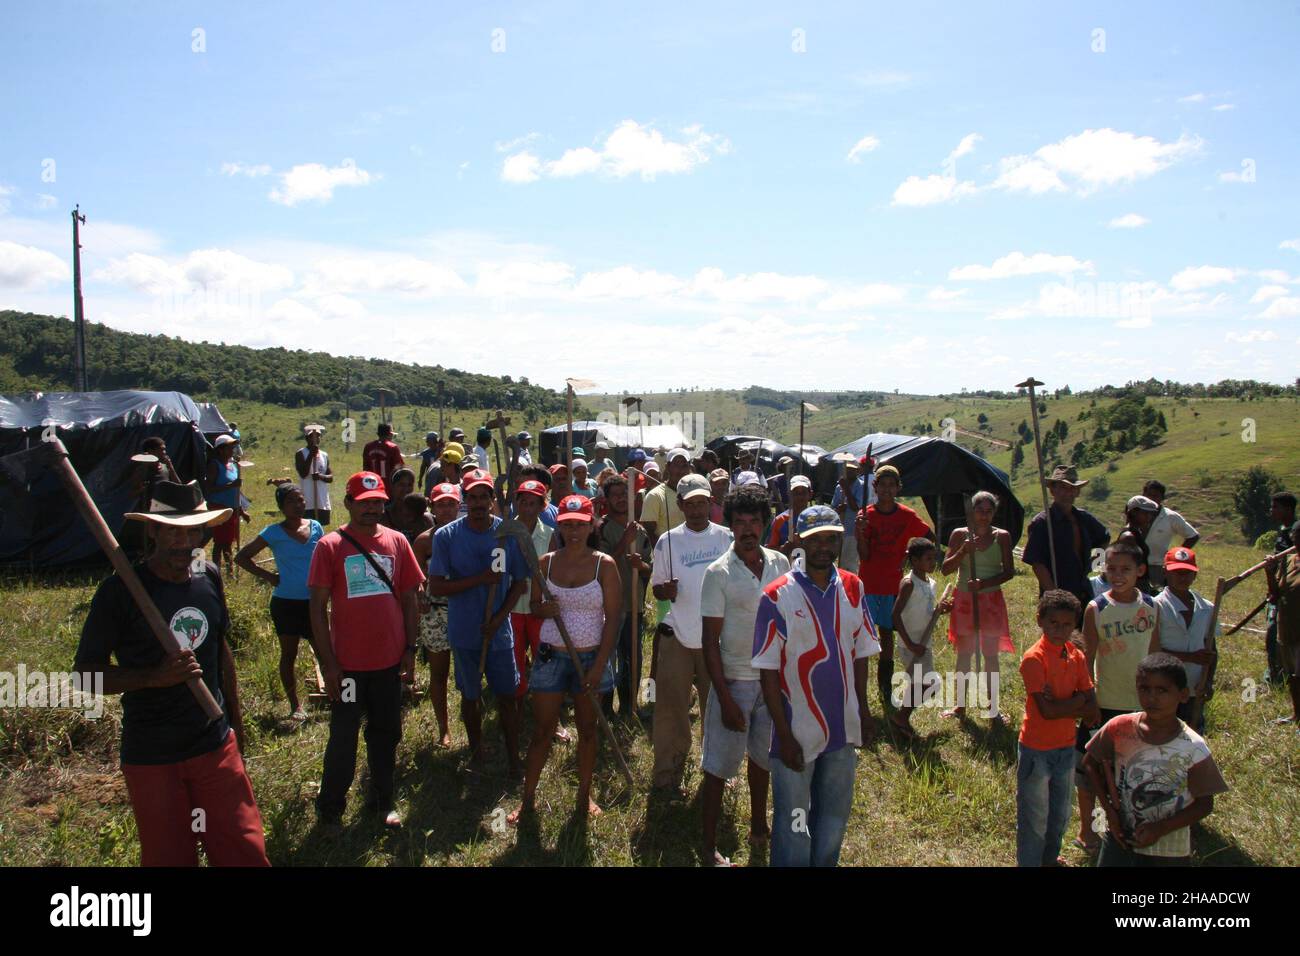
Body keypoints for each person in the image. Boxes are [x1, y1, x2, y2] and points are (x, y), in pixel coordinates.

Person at [74, 479, 269, 866]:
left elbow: (220, 650)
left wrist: (235, 728)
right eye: (173, 532)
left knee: (244, 851)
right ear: (153, 530)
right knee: (169, 857)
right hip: (153, 756)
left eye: (194, 530)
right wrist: (152, 677)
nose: (184, 543)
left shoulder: (208, 576)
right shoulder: (120, 592)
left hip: (214, 745)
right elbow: (84, 676)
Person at [753, 505, 881, 867]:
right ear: (799, 542)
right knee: (794, 824)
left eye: (831, 539)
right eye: (816, 539)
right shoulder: (776, 596)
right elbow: (767, 672)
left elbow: (861, 653)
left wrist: (865, 711)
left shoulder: (853, 588)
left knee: (833, 820)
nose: (824, 547)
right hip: (796, 730)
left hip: (842, 728)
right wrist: (784, 733)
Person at [307, 472, 423, 828]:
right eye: (364, 502)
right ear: (347, 504)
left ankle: (382, 800)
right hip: (348, 668)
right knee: (343, 736)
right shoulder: (330, 546)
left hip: (388, 663)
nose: (372, 509)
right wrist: (329, 665)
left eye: (378, 502)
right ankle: (331, 808)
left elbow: (409, 598)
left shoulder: (398, 542)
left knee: (386, 733)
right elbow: (318, 609)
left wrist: (409, 649)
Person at [509, 495, 620, 825]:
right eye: (567, 524)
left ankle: (584, 798)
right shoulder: (545, 563)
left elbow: (613, 618)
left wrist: (599, 666)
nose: (573, 531)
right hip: (551, 657)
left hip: (589, 658)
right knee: (542, 731)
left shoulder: (605, 565)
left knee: (587, 730)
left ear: (591, 525)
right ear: (560, 525)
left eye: (580, 524)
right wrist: (545, 610)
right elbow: (534, 606)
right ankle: (526, 799)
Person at [698, 485, 790, 865]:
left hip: (772, 681)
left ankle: (758, 827)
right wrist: (724, 697)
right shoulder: (717, 573)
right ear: (730, 525)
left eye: (755, 521)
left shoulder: (781, 565)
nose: (748, 529)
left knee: (762, 760)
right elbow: (709, 642)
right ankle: (706, 848)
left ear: (765, 524)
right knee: (718, 769)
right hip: (733, 681)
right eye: (740, 522)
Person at [1083, 653, 1229, 866]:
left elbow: (1205, 804)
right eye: (1145, 689)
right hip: (1119, 837)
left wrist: (1160, 828)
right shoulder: (1119, 727)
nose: (1152, 698)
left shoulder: (1193, 747)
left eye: (1162, 690)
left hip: (1168, 850)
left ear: (1183, 694)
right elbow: (1089, 763)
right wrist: (1110, 813)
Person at [428, 468, 529, 774]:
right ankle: (476, 754)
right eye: (472, 497)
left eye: (484, 496)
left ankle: (514, 757)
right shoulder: (447, 537)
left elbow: (519, 584)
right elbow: (437, 586)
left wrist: (499, 618)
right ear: (464, 499)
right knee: (470, 696)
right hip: (464, 630)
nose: (477, 502)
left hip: (498, 632)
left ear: (492, 499)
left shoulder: (507, 535)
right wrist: (480, 579)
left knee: (507, 697)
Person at [1073, 539, 1161, 851]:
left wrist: (1156, 701)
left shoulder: (1152, 607)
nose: (1117, 574)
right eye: (1111, 568)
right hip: (1105, 703)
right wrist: (1089, 699)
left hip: (1140, 705)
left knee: (1133, 768)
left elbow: (1154, 656)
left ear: (1140, 570)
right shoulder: (1097, 608)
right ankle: (1087, 829)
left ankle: (1130, 825)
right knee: (1090, 768)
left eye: (1125, 569)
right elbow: (1087, 658)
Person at [649, 473, 733, 795]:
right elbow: (657, 588)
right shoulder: (667, 541)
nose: (697, 510)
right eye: (690, 504)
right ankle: (667, 774)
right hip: (679, 635)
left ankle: (719, 770)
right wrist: (663, 589)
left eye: (702, 503)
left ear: (710, 502)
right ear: (680, 505)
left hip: (718, 639)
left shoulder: (726, 539)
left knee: (719, 706)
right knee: (671, 708)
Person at [1016, 589, 1099, 867]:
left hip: (1065, 746)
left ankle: (1049, 859)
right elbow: (1047, 712)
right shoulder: (1034, 659)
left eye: (1067, 625)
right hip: (1036, 749)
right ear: (1040, 620)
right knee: (1034, 818)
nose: (1060, 630)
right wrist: (1078, 702)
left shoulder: (1075, 654)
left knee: (1060, 813)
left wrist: (1075, 703)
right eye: (1054, 623)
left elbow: (1092, 707)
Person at [235, 483, 324, 720]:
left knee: (325, 652)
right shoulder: (272, 532)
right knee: (289, 654)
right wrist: (270, 577)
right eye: (292, 501)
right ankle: (295, 705)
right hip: (286, 602)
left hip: (314, 601)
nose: (298, 505)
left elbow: (325, 560)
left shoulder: (315, 527)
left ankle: (339, 699)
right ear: (281, 507)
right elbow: (242, 557)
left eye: (301, 500)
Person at [855, 465, 934, 710]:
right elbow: (864, 555)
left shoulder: (907, 515)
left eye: (892, 485)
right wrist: (860, 534)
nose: (887, 489)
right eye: (883, 485)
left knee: (887, 634)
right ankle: (859, 687)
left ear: (899, 488)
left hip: (892, 583)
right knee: (865, 636)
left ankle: (885, 685)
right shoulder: (866, 516)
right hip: (869, 582)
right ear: (874, 487)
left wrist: (909, 555)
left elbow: (928, 535)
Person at [940, 491, 1016, 721]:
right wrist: (964, 550)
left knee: (990, 655)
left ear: (994, 513)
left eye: (988, 511)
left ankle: (993, 708)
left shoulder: (1002, 536)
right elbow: (945, 569)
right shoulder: (959, 535)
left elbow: (1009, 571)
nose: (984, 516)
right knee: (964, 654)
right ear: (971, 511)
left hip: (990, 601)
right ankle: (960, 706)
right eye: (979, 510)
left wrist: (984, 583)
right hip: (965, 601)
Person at [1023, 466, 1111, 622]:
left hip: (1083, 589)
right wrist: (1054, 596)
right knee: (1057, 638)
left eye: (1073, 488)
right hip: (1057, 588)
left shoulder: (1083, 518)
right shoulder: (1043, 522)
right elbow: (1038, 564)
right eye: (1063, 488)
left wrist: (1093, 565)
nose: (1068, 492)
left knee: (1083, 637)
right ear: (1052, 491)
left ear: (1077, 492)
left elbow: (1104, 538)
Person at [597, 474, 652, 719]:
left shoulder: (639, 530)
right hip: (609, 606)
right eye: (615, 495)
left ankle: (629, 706)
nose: (621, 500)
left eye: (624, 495)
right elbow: (600, 564)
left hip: (634, 605)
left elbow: (650, 568)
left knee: (632, 658)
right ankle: (606, 709)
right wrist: (623, 543)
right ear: (607, 499)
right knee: (608, 657)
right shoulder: (601, 528)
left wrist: (640, 567)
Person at [412, 483, 460, 749]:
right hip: (436, 612)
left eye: (450, 504)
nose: (446, 509)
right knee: (439, 673)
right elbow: (416, 577)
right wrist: (420, 594)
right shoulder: (424, 541)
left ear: (458, 506)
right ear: (432, 508)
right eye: (440, 504)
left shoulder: (466, 535)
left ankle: (471, 719)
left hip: (464, 610)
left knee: (469, 672)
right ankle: (444, 728)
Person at [890, 538, 952, 739]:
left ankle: (902, 717)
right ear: (914, 561)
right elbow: (896, 615)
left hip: (924, 643)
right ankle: (901, 717)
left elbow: (925, 611)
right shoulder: (909, 584)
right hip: (911, 644)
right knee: (930, 684)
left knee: (921, 683)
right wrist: (910, 644)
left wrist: (939, 611)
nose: (933, 562)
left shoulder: (931, 583)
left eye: (934, 558)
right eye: (928, 559)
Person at [1153, 547, 1218, 734]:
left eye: (1187, 572)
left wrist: (1208, 682)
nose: (1182, 577)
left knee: (1193, 738)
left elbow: (1211, 650)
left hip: (1194, 687)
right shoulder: (1155, 606)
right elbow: (1152, 650)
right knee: (1164, 735)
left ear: (1195, 575)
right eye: (1176, 572)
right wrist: (1189, 657)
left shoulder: (1206, 608)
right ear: (1166, 571)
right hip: (1164, 686)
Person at [508, 479, 557, 724]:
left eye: (533, 503)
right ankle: (516, 709)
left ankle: (548, 713)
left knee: (544, 660)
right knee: (514, 660)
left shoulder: (548, 535)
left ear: (542, 506)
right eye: (523, 502)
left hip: (539, 610)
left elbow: (553, 573)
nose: (527, 508)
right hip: (512, 609)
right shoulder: (504, 531)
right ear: (516, 503)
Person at [1265, 538, 1300, 726]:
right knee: (1293, 675)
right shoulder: (1287, 561)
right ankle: (1297, 715)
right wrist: (1269, 573)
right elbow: (1274, 595)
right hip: (1287, 627)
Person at [1141, 481, 1199, 589]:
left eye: (1155, 496)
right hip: (1136, 565)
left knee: (1156, 599)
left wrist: (1176, 555)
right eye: (1148, 495)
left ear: (1162, 498)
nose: (1151, 499)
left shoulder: (1170, 517)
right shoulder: (1136, 514)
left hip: (1157, 566)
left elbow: (1193, 536)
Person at [1265, 492, 1297, 685]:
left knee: (1276, 634)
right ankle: (1276, 673)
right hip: (1277, 587)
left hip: (1290, 593)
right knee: (1272, 634)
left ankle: (1280, 675)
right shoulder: (1283, 530)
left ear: (1288, 509)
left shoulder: (1296, 532)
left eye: (1275, 507)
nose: (1272, 510)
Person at [202, 434, 244, 574]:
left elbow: (236, 491)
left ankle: (229, 571)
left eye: (233, 447)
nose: (232, 450)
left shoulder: (233, 465)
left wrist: (241, 510)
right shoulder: (215, 465)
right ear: (220, 450)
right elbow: (209, 488)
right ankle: (217, 571)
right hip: (218, 508)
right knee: (220, 542)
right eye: (229, 447)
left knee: (228, 542)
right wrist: (231, 485)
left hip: (232, 508)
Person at [832, 454, 875, 572]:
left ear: (857, 471)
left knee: (849, 563)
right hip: (840, 528)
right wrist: (838, 509)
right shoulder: (838, 487)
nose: (849, 473)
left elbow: (857, 507)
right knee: (839, 561)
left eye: (852, 470)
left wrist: (846, 489)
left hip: (853, 530)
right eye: (847, 470)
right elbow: (833, 507)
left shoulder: (861, 486)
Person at [293, 424, 333, 525]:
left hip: (322, 499)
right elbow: (303, 474)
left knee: (321, 526)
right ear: (307, 438)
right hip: (308, 499)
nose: (316, 438)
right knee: (307, 526)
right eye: (312, 436)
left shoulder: (324, 455)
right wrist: (311, 455)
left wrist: (320, 476)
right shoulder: (301, 453)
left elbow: (330, 477)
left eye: (318, 436)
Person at [766, 475, 812, 556]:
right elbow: (770, 550)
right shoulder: (781, 520)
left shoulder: (816, 519)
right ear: (789, 494)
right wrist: (785, 548)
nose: (800, 496)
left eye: (803, 492)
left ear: (810, 494)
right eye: (796, 493)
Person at [1122, 495, 1159, 594]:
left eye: (1151, 514)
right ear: (1134, 512)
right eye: (1145, 513)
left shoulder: (1137, 533)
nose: (1149, 517)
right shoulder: (1129, 537)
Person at [362, 423, 404, 489]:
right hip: (387, 486)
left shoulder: (368, 447)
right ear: (389, 434)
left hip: (372, 485)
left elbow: (365, 468)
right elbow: (400, 468)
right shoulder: (393, 447)